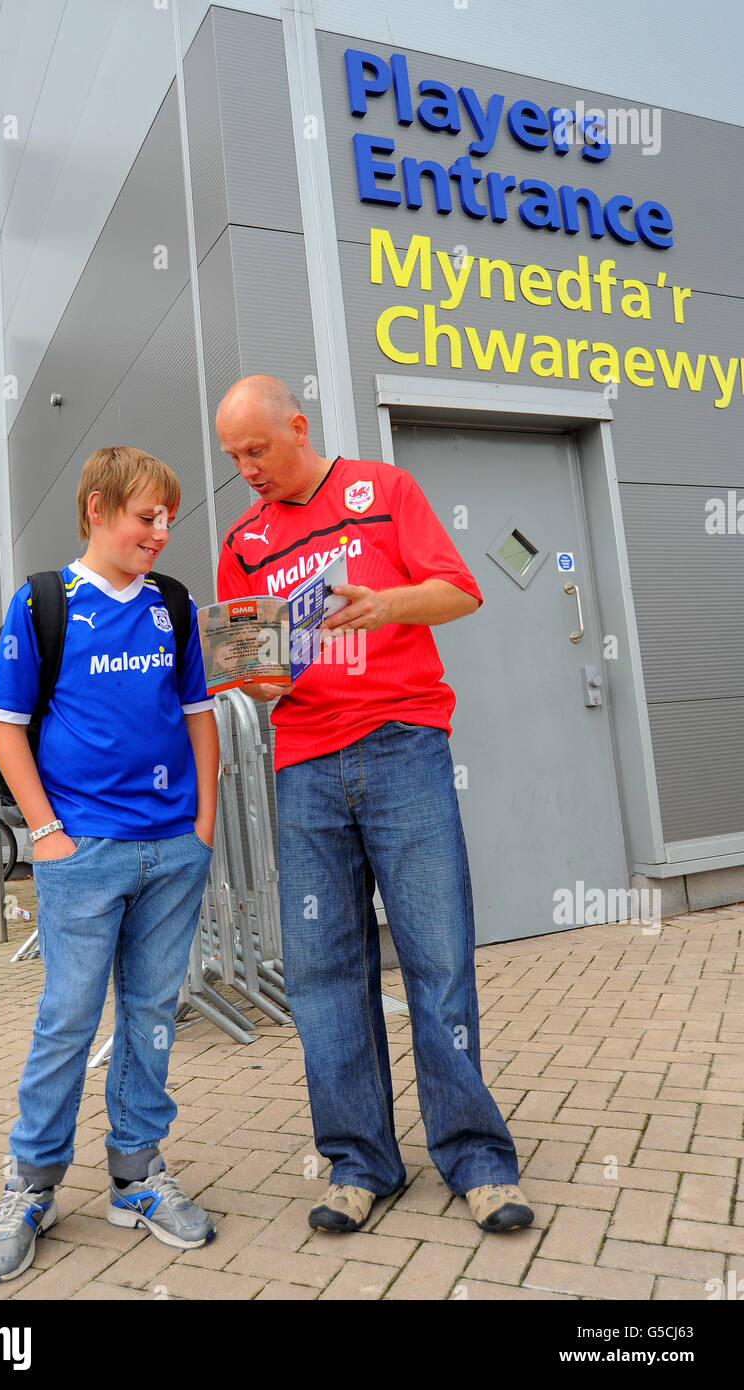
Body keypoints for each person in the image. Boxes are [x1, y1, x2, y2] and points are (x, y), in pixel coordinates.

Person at [215, 376, 533, 1236]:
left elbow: (462, 590)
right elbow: (263, 669)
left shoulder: (381, 490)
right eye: (233, 456)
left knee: (438, 959)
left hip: (404, 746)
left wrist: (380, 604)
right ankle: (361, 1162)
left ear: (298, 427)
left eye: (258, 449)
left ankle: (477, 1159)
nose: (246, 468)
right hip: (306, 763)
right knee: (321, 975)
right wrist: (251, 673)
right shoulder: (241, 540)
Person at [0, 446, 219, 1281]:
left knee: (151, 1012)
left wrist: (204, 827)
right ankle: (32, 1184)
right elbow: (7, 722)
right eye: (145, 516)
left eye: (167, 518)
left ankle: (136, 1176)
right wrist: (44, 831)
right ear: (95, 509)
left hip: (171, 849)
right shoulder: (45, 602)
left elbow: (199, 714)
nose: (160, 532)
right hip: (82, 852)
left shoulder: (175, 607)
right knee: (69, 1018)